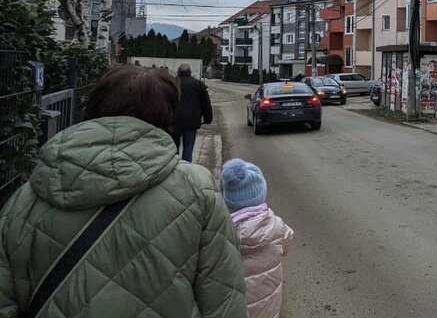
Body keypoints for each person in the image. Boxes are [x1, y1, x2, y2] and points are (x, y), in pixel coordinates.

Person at [0, 65, 247, 317]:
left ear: (93, 108)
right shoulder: (197, 189)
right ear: (166, 117)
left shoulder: (27, 198)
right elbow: (224, 300)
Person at [222, 159, 294, 318]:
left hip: (238, 305)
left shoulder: (223, 232)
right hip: (270, 300)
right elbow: (287, 244)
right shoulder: (277, 225)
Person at [172, 63, 214, 162]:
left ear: (178, 72)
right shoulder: (198, 84)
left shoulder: (172, 83)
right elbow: (206, 103)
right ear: (190, 72)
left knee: (174, 148)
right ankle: (186, 170)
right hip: (191, 121)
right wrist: (208, 118)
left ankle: (174, 167)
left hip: (174, 121)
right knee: (188, 149)